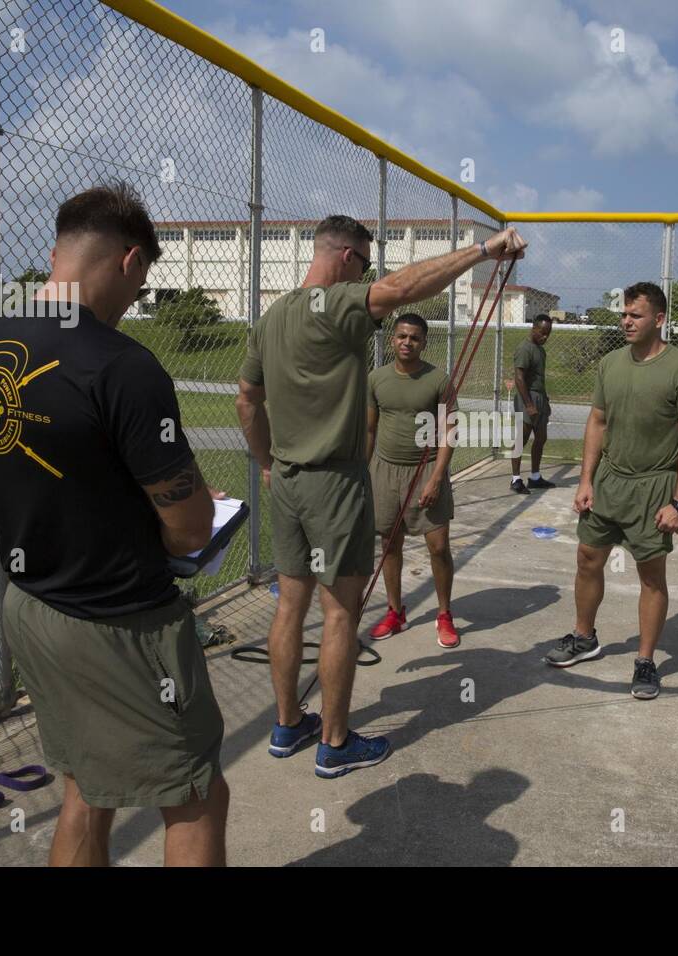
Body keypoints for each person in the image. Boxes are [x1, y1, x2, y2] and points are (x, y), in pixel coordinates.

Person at [0, 181, 228, 866]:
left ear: (56, 252)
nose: (135, 301)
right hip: (120, 621)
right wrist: (193, 515)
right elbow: (190, 531)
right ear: (131, 261)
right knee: (195, 797)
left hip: (33, 605)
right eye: (142, 282)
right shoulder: (123, 366)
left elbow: (63, 472)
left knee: (87, 787)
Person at [236, 215, 526, 778]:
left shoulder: (271, 317)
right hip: (335, 483)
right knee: (341, 612)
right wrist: (484, 250)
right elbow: (404, 288)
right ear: (345, 256)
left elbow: (248, 400)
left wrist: (268, 462)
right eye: (365, 264)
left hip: (289, 482)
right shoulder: (338, 303)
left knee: (290, 606)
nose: (368, 276)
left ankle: (288, 723)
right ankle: (335, 744)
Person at [544, 282, 678, 700]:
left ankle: (645, 661)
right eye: (624, 314)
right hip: (608, 482)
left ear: (659, 320)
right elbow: (597, 422)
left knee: (651, 577)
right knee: (587, 559)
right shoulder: (611, 364)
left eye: (635, 315)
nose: (626, 321)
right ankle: (585, 638)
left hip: (654, 487)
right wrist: (586, 479)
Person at [365, 314, 460, 648]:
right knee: (390, 544)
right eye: (402, 336)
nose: (407, 342)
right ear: (392, 339)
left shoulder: (438, 380)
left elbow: (450, 432)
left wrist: (436, 478)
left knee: (438, 546)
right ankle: (395, 611)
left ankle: (445, 614)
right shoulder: (376, 379)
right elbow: (370, 430)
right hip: (385, 471)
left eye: (415, 338)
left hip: (426, 470)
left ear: (424, 342)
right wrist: (364, 474)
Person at [510, 314, 555, 493]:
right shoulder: (524, 348)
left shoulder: (540, 350)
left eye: (548, 334)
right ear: (533, 329)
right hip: (526, 397)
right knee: (521, 439)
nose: (545, 337)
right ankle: (515, 479)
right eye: (542, 333)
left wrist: (546, 402)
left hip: (540, 398)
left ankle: (535, 477)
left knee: (541, 437)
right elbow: (519, 378)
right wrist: (529, 404)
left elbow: (539, 379)